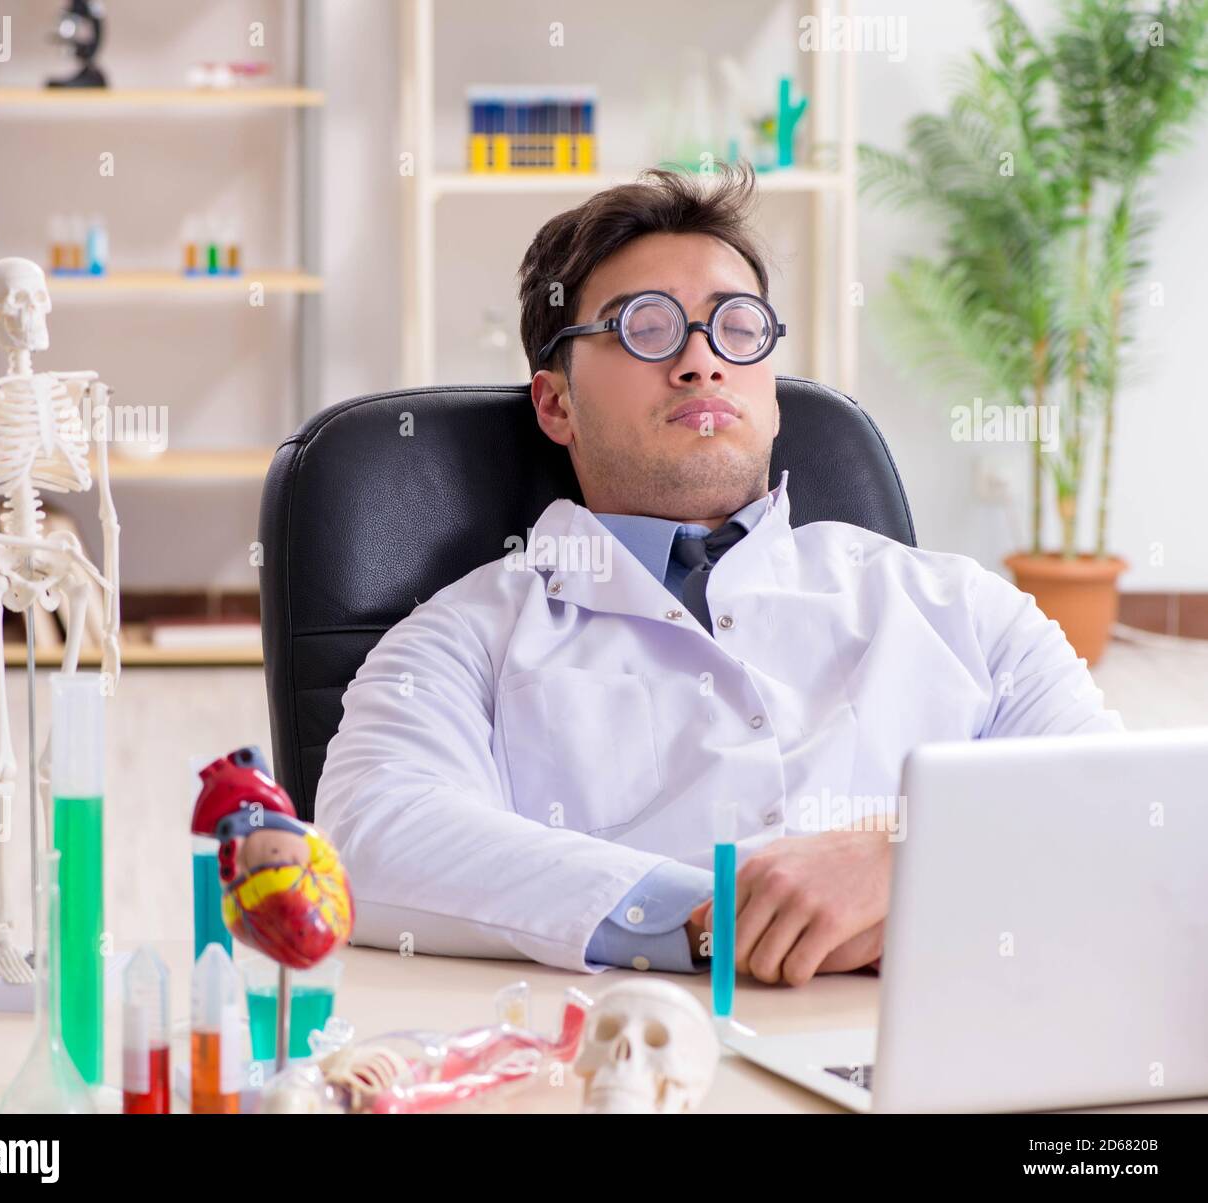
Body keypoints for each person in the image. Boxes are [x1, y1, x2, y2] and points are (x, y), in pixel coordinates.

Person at [314, 161, 1121, 986]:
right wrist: (716, 918)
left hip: (939, 1052)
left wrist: (899, 857)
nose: (701, 362)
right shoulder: (462, 636)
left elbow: (1121, 806)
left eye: (736, 327)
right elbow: (373, 836)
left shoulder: (960, 606)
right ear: (556, 404)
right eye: (646, 327)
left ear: (771, 394)